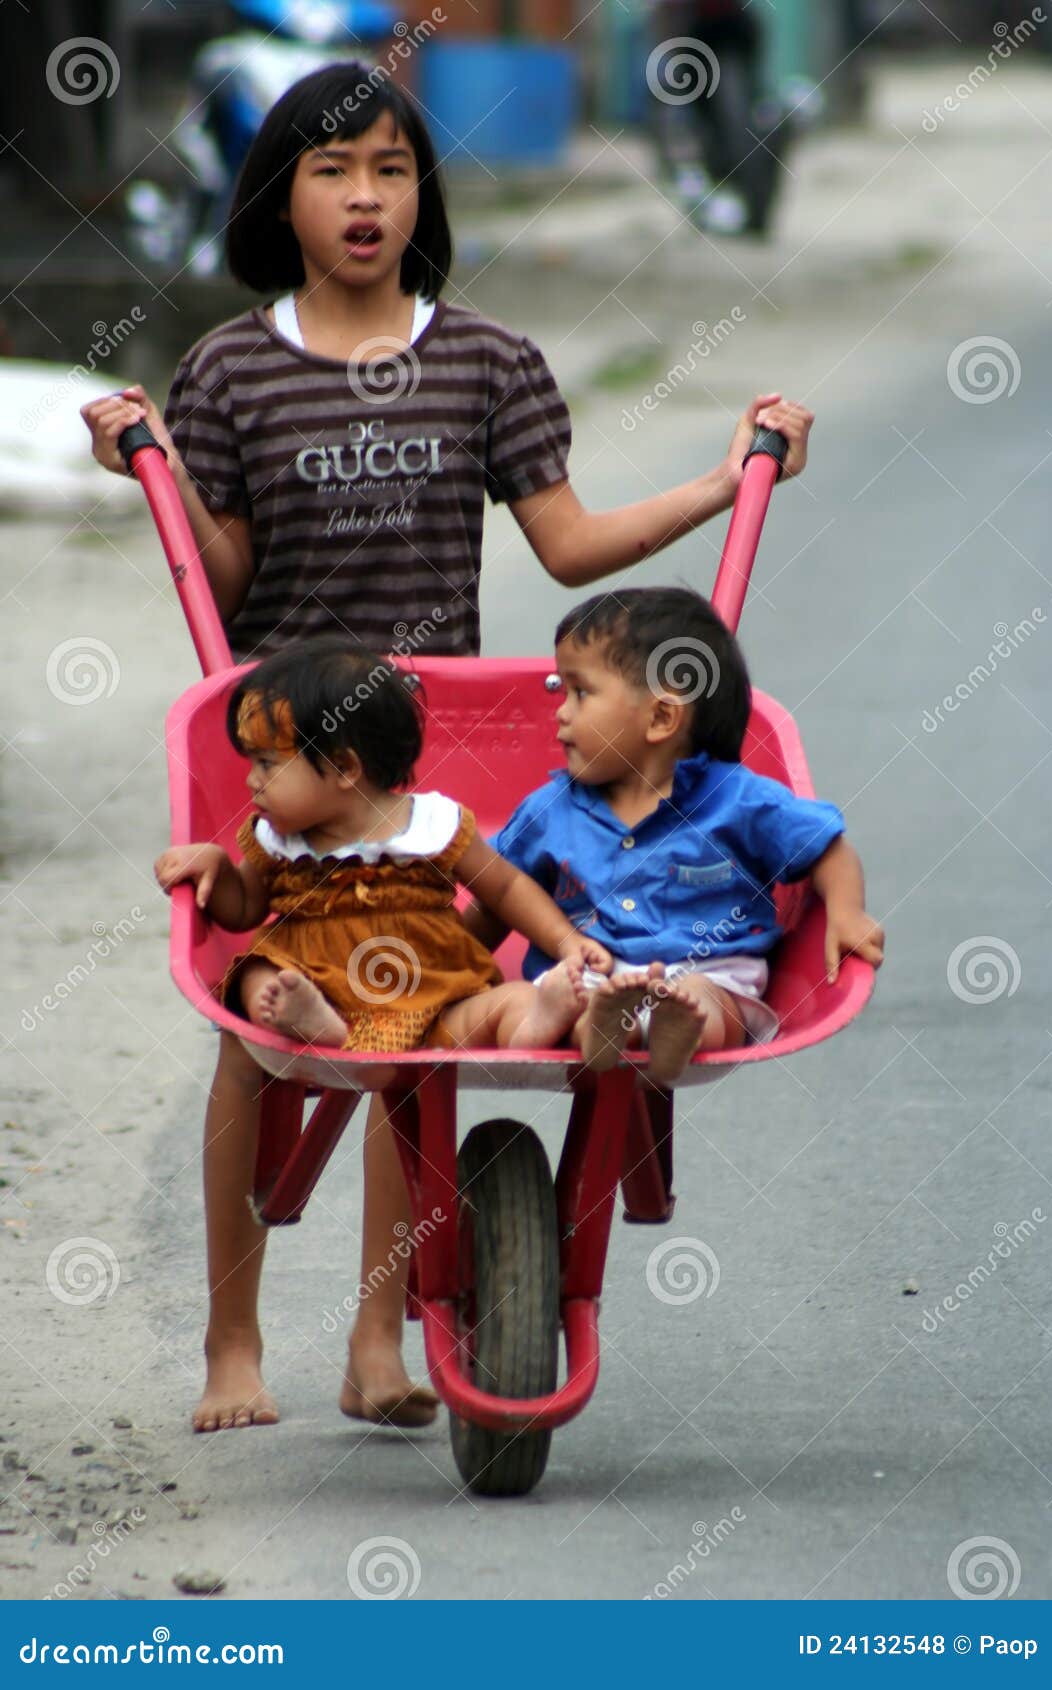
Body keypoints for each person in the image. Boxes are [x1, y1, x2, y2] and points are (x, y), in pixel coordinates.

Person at [80, 60, 814, 1434]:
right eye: (329, 170)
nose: (364, 198)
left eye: (390, 169)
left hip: (410, 771)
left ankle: (376, 1336)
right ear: (277, 194)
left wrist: (729, 481)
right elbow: (223, 581)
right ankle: (230, 1337)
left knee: (405, 1034)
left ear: (422, 191)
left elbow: (569, 542)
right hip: (298, 763)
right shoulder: (230, 365)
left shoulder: (485, 359)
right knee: (255, 1039)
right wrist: (160, 468)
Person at [468, 588, 885, 1087]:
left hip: (708, 972)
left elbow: (827, 847)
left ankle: (666, 1032)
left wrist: (845, 911)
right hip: (591, 975)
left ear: (662, 717)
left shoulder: (739, 800)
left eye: (580, 692)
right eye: (562, 691)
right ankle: (602, 1025)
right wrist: (454, 959)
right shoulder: (551, 810)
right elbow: (500, 895)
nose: (560, 712)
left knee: (703, 1003)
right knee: (569, 997)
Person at [154, 638, 609, 1056]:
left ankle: (534, 1021)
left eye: (266, 763)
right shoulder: (278, 839)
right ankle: (317, 1025)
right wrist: (215, 865)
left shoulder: (433, 826)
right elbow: (244, 909)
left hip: (432, 997)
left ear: (345, 767)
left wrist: (565, 941)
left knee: (506, 1002)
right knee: (256, 977)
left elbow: (507, 889)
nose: (251, 781)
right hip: (313, 986)